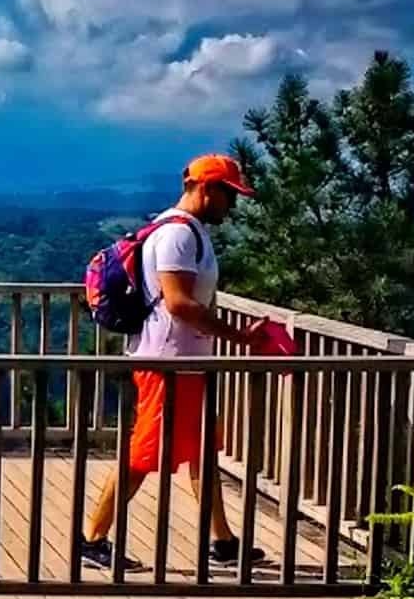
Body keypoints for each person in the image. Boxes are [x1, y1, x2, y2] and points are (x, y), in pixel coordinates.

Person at [80, 154, 272, 570]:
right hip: (168, 364)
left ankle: (222, 542)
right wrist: (241, 337)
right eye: (229, 195)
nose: (233, 205)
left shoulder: (188, 232)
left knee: (202, 452)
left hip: (185, 363)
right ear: (206, 190)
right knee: (142, 454)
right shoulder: (179, 237)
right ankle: (92, 538)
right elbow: (179, 303)